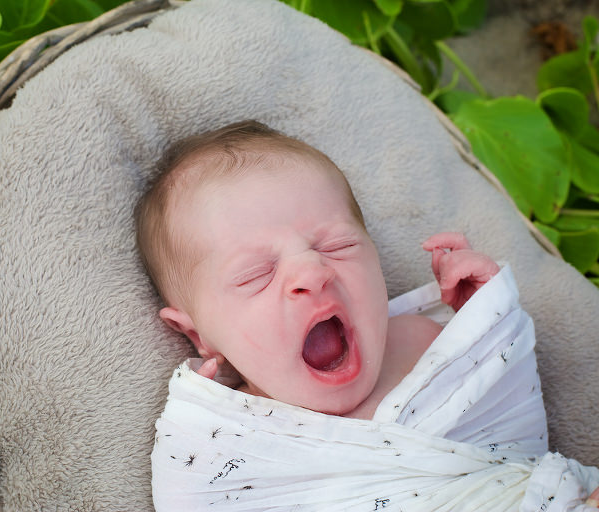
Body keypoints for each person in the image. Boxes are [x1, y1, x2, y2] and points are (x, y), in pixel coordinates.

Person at [136, 120, 599, 510]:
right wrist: (209, 418)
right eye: (256, 274)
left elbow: (510, 409)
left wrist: (482, 320)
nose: (312, 271)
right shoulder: (227, 436)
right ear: (199, 335)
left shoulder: (424, 339)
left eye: (338, 245)